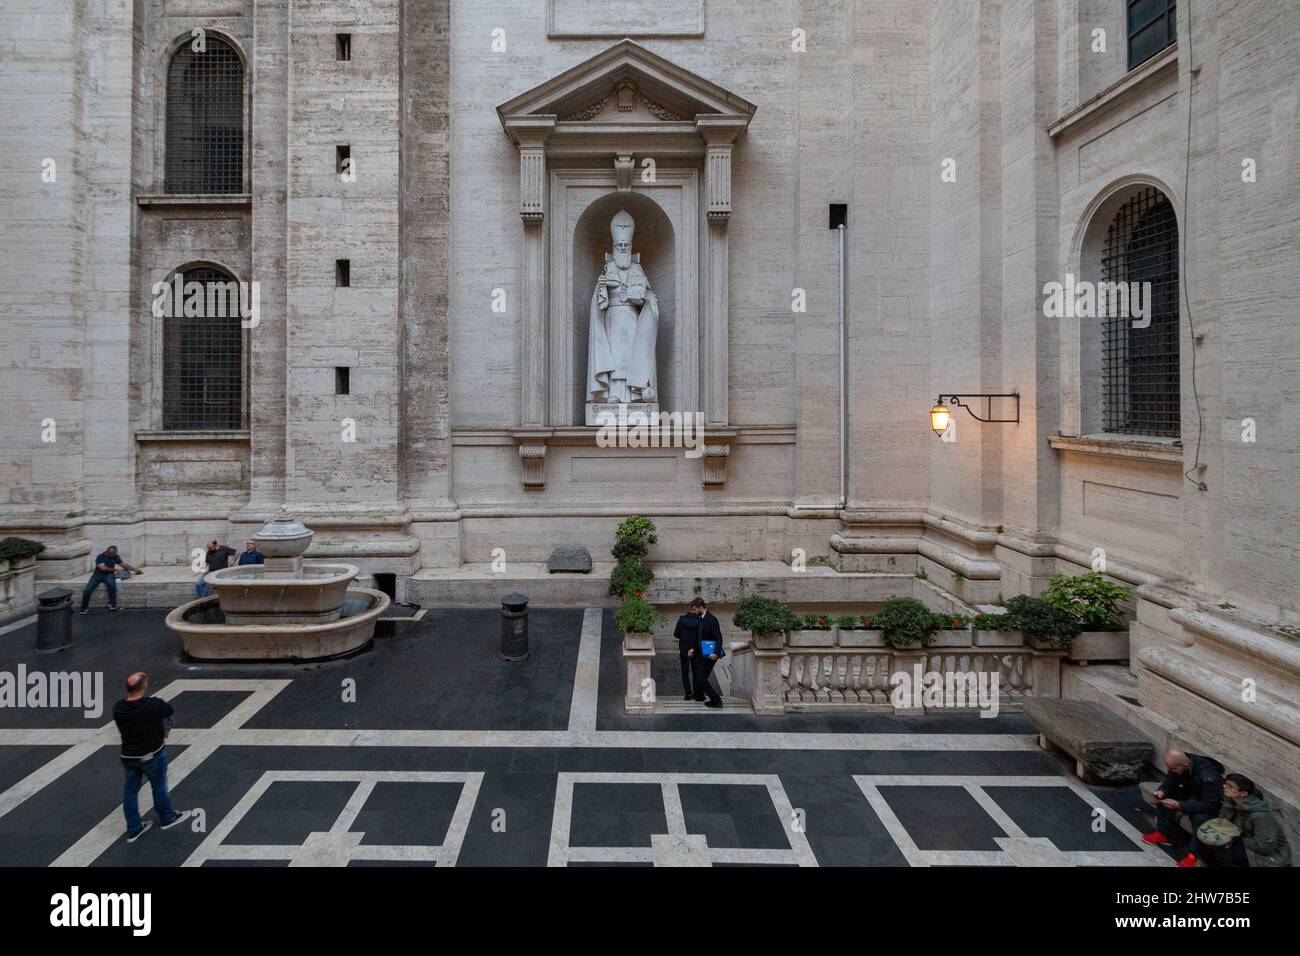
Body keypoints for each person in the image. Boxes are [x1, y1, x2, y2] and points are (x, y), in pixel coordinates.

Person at [113, 672, 190, 842]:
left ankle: (134, 828)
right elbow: (168, 710)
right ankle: (167, 817)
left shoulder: (118, 708)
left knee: (130, 791)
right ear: (144, 686)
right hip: (151, 754)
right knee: (159, 785)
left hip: (128, 756)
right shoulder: (153, 705)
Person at [1141, 747, 1225, 867]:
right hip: (1191, 794)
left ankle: (1193, 855)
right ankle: (1163, 833)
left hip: (1206, 803)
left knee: (1201, 818)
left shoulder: (1209, 777)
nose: (1172, 770)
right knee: (1164, 798)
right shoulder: (1180, 764)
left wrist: (1180, 805)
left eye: (1173, 768)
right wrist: (1162, 791)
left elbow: (1212, 805)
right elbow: (1171, 780)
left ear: (1185, 766)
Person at [1205, 773, 1293, 867]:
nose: (1224, 786)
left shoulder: (1261, 816)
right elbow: (1224, 822)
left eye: (1230, 786)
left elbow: (1265, 847)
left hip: (1271, 856)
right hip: (1244, 841)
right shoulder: (1231, 802)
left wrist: (1234, 838)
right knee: (1212, 844)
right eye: (1225, 783)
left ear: (1243, 793)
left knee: (1228, 854)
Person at [80, 546, 143, 614]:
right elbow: (103, 568)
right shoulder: (100, 557)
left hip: (109, 575)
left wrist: (135, 569)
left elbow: (123, 564)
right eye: (112, 555)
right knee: (87, 590)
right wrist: (115, 570)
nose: (114, 556)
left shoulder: (115, 556)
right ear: (107, 552)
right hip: (97, 575)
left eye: (115, 554)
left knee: (112, 586)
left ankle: (112, 604)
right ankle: (84, 608)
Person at [690, 598, 725, 709]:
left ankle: (716, 700)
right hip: (702, 653)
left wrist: (715, 653)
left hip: (710, 655)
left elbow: (719, 638)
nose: (694, 612)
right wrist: (693, 649)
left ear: (701, 607)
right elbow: (699, 637)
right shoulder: (701, 618)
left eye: (695, 609)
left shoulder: (712, 619)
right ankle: (714, 699)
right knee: (700, 677)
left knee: (701, 678)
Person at [673, 603, 703, 701]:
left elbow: (676, 634)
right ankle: (696, 693)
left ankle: (688, 693)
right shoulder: (699, 621)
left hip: (684, 649)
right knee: (696, 671)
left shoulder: (682, 619)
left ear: (689, 609)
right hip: (696, 649)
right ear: (696, 610)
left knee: (685, 672)